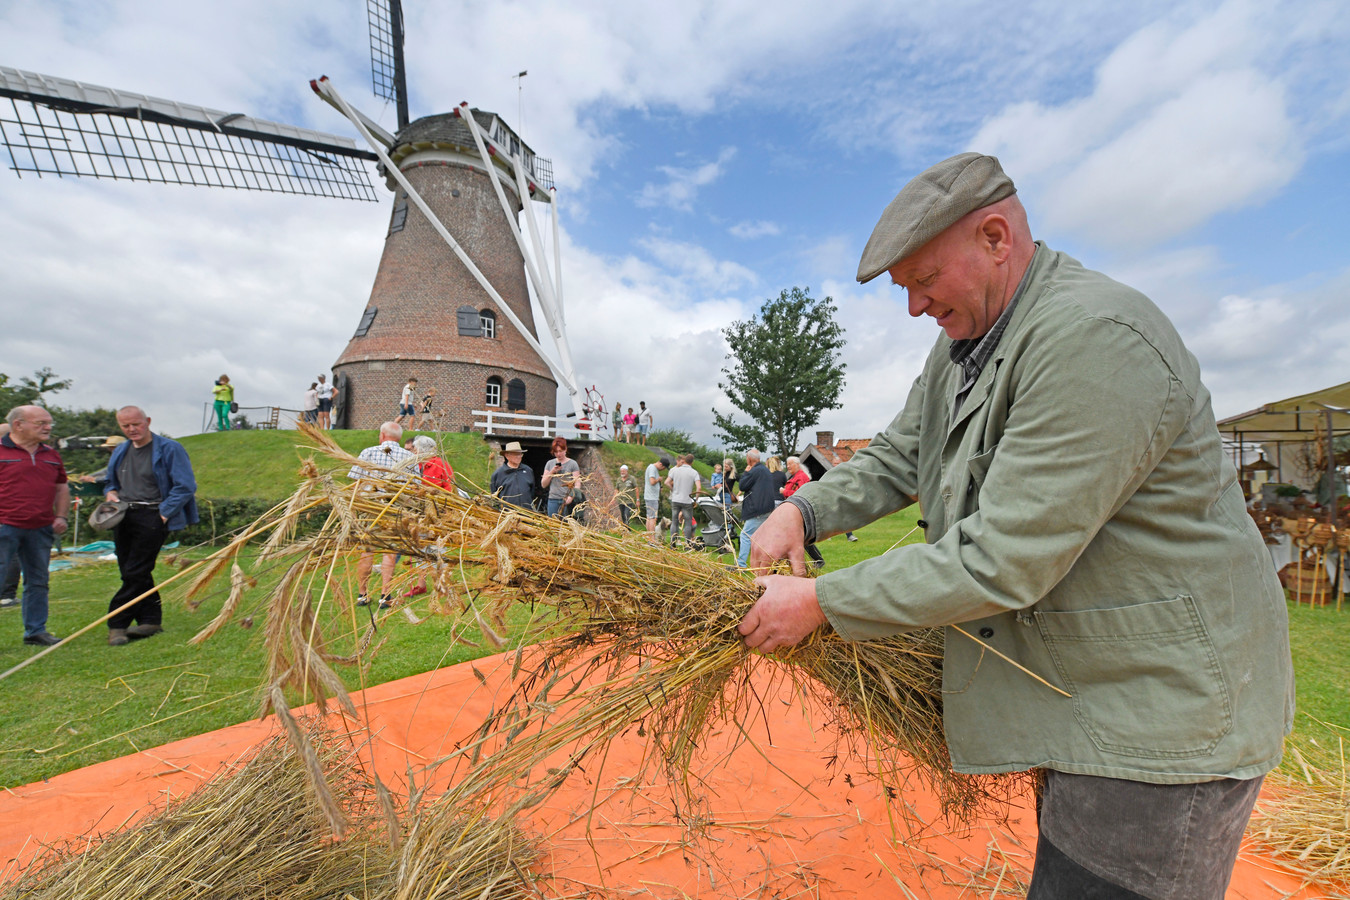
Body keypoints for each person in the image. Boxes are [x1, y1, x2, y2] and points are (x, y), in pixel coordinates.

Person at [735, 152, 1294, 899]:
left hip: (1160, 717)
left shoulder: (1096, 339)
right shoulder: (968, 343)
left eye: (924, 282)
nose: (915, 309)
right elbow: (904, 451)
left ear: (996, 237)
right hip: (1088, 696)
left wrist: (822, 604)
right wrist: (801, 509)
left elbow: (1002, 558)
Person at [103, 406, 198, 646]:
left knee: (136, 570)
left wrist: (164, 514)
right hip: (123, 514)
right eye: (125, 426)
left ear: (147, 421)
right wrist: (111, 493)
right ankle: (151, 620)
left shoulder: (170, 449)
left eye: (136, 424)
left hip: (153, 514)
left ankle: (117, 623)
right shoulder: (121, 450)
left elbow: (185, 485)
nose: (131, 430)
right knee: (131, 570)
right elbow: (109, 482)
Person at [0, 406, 70, 645]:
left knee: (38, 581)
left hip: (40, 528)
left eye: (49, 423)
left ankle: (35, 631)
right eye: (40, 423)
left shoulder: (51, 455)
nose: (48, 427)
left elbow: (62, 487)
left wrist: (61, 516)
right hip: (4, 526)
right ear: (18, 425)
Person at [347, 421, 414, 609]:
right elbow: (416, 488)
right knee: (390, 552)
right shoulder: (409, 456)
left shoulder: (368, 453)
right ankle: (385, 596)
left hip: (370, 509)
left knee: (367, 551)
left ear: (382, 435)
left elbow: (355, 484)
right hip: (395, 509)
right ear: (399, 438)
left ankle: (362, 595)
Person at [733, 449, 775, 569]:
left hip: (757, 509)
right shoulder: (765, 470)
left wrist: (746, 472)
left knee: (745, 535)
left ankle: (741, 564)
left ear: (749, 459)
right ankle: (766, 563)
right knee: (762, 538)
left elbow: (742, 485)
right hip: (767, 508)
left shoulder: (754, 471)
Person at [782, 457, 823, 568]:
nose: (788, 466)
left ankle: (818, 560)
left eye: (790, 464)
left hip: (799, 511)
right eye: (787, 464)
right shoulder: (796, 476)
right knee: (800, 537)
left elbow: (800, 494)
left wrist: (784, 491)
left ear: (797, 464)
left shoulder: (801, 477)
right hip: (795, 511)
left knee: (802, 537)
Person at [664, 454, 702, 548]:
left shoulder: (675, 470)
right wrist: (695, 499)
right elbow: (699, 487)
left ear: (684, 461)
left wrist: (673, 490)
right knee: (688, 523)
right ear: (692, 462)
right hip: (687, 500)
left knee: (674, 521)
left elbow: (666, 482)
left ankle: (673, 544)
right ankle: (687, 544)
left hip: (675, 499)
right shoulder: (694, 472)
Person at [540, 437, 581, 518]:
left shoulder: (573, 464)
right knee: (553, 525)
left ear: (565, 449)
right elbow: (543, 484)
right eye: (556, 452)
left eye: (560, 451)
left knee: (566, 525)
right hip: (553, 500)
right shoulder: (550, 463)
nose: (558, 454)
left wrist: (571, 496)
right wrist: (552, 472)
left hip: (566, 500)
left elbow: (577, 483)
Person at [489, 441, 535, 509]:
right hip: (507, 514)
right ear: (507, 456)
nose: (519, 457)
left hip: (527, 513)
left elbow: (532, 492)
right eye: (516, 454)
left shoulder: (528, 471)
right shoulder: (498, 474)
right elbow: (494, 496)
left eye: (520, 454)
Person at [643, 455, 670, 543]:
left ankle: (648, 538)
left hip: (650, 496)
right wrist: (659, 479)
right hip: (652, 497)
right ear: (661, 464)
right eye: (664, 468)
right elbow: (652, 481)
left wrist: (659, 486)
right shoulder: (652, 468)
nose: (663, 470)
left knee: (649, 517)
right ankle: (652, 539)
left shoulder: (653, 468)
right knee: (652, 518)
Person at [615, 464, 638, 528]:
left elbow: (636, 488)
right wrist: (614, 497)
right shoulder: (619, 479)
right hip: (621, 501)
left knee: (626, 514)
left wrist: (637, 499)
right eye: (621, 471)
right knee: (622, 515)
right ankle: (626, 528)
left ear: (627, 471)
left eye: (623, 471)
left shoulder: (631, 479)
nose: (622, 472)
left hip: (628, 501)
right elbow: (616, 489)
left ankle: (626, 528)